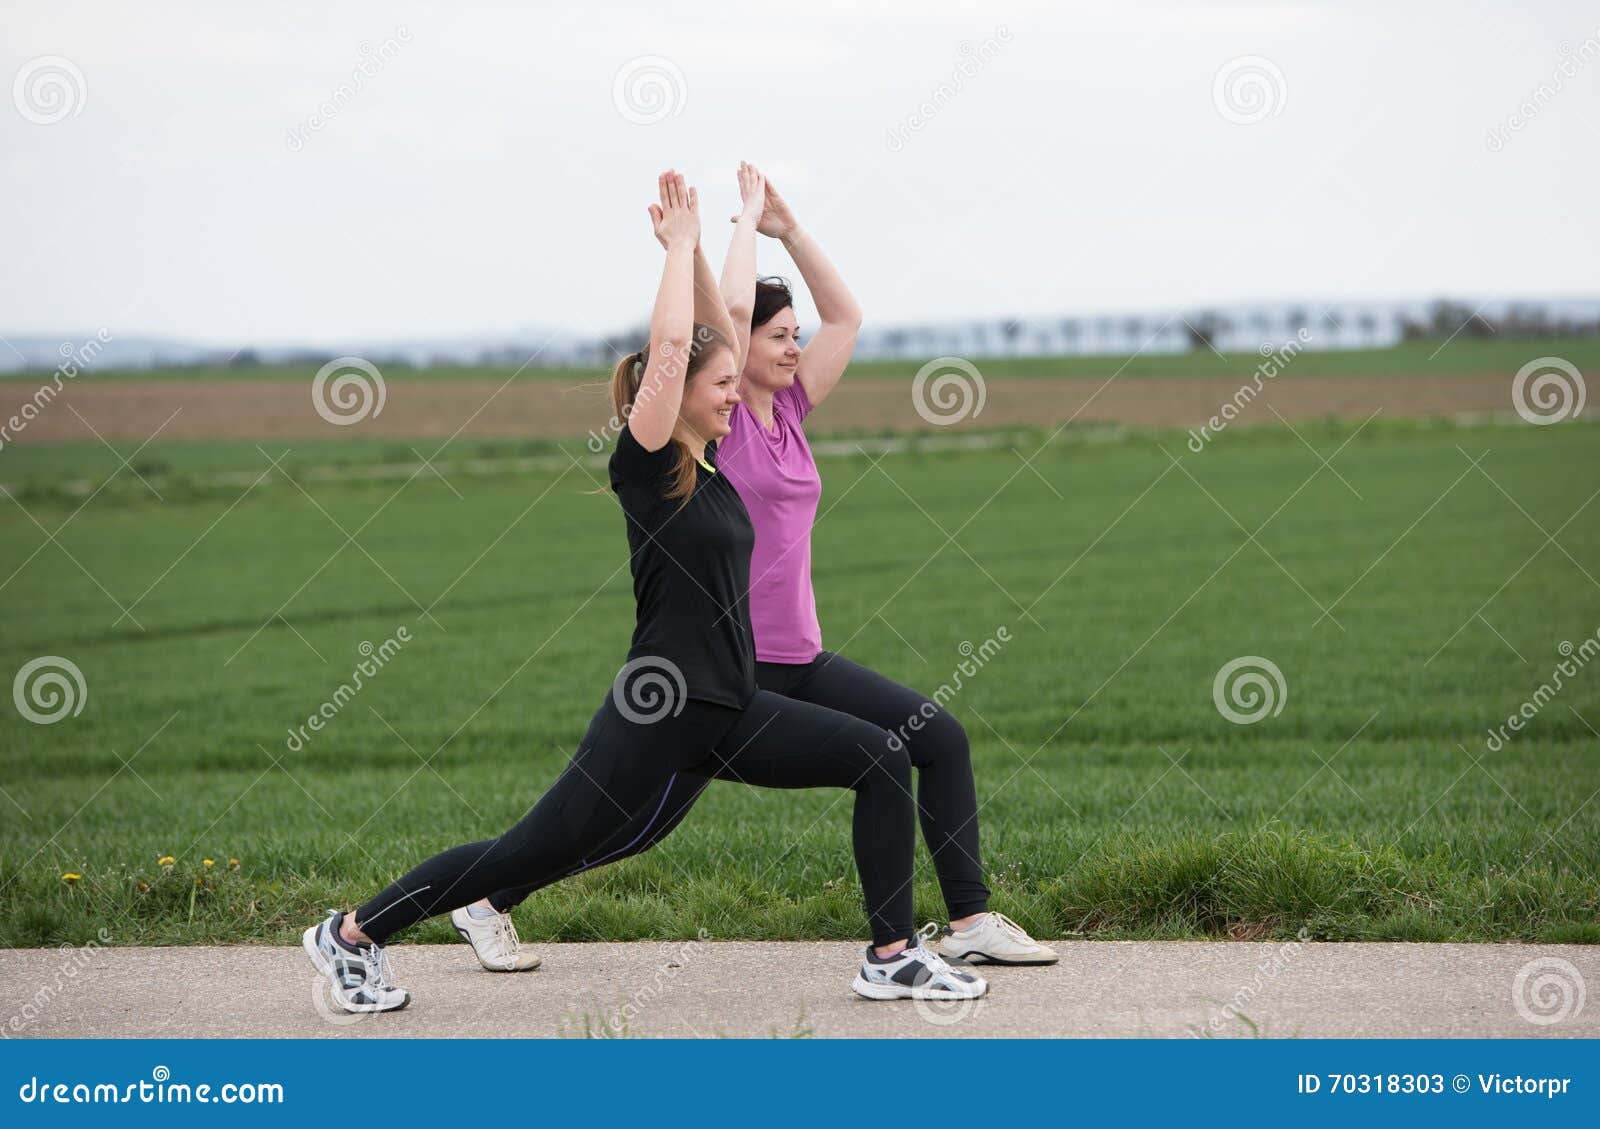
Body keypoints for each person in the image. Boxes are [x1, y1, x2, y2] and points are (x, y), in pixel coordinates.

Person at [303, 171, 985, 1011]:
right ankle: (351, 936)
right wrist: (676, 250)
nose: (738, 393)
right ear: (678, 397)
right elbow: (678, 346)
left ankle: (891, 953)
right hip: (658, 710)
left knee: (881, 756)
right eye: (722, 386)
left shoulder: (720, 468)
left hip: (726, 706)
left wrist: (711, 243)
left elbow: (719, 332)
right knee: (524, 853)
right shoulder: (652, 468)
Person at [713, 162, 1057, 966]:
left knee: (938, 738)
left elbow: (848, 315)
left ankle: (968, 924)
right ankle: (490, 894)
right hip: (734, 669)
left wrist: (789, 230)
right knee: (618, 814)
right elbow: (727, 311)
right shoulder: (723, 421)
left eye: (794, 334)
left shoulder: (792, 411)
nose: (793, 345)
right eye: (777, 336)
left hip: (800, 657)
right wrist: (740, 223)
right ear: (740, 351)